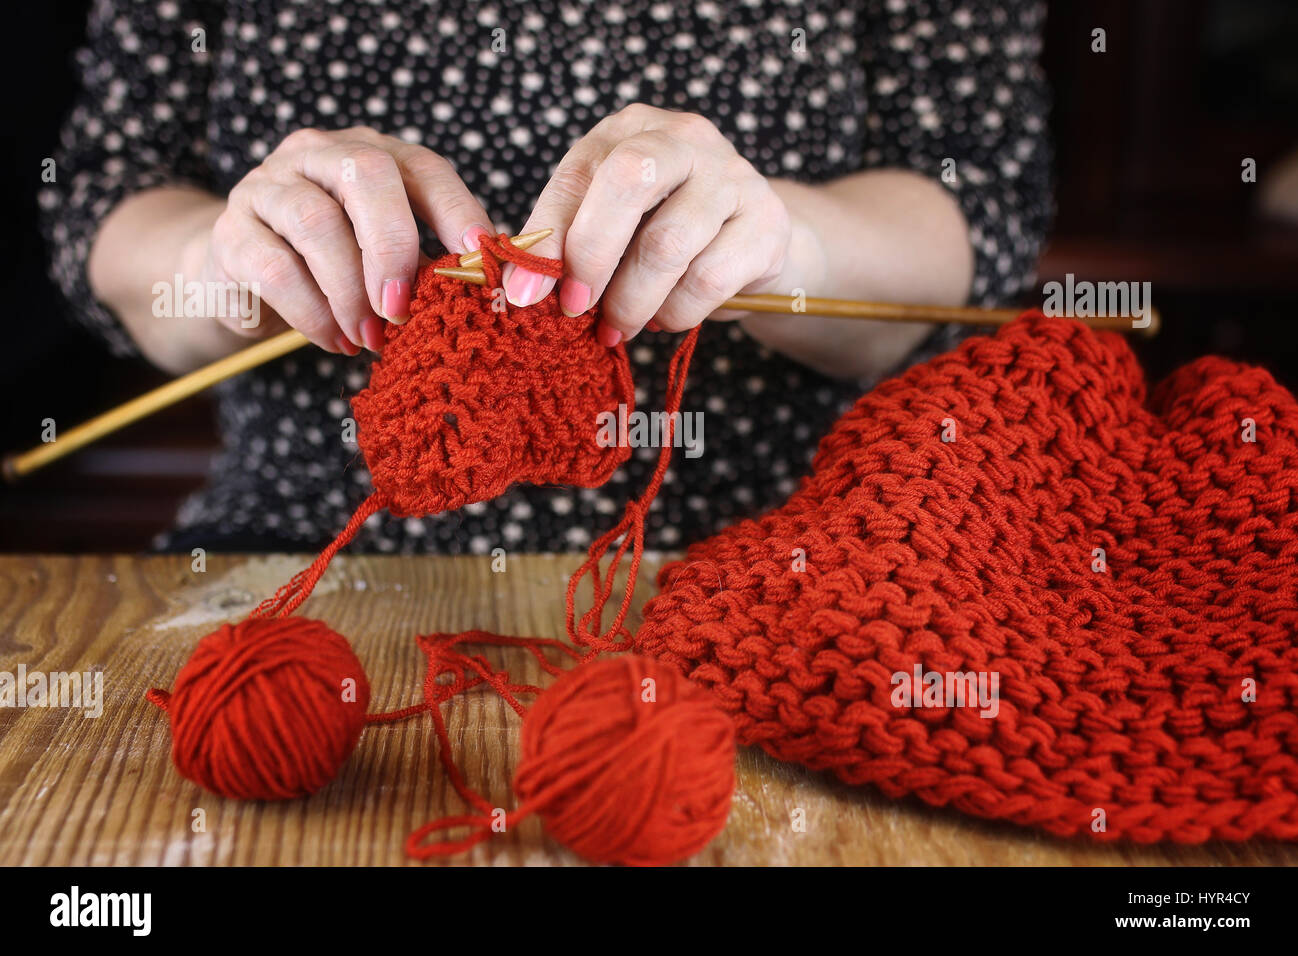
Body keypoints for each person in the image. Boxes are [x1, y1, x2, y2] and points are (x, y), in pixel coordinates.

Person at [40, 0, 1051, 553]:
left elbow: (980, 217)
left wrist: (782, 247)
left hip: (784, 558)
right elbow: (106, 207)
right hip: (290, 549)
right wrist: (235, 263)